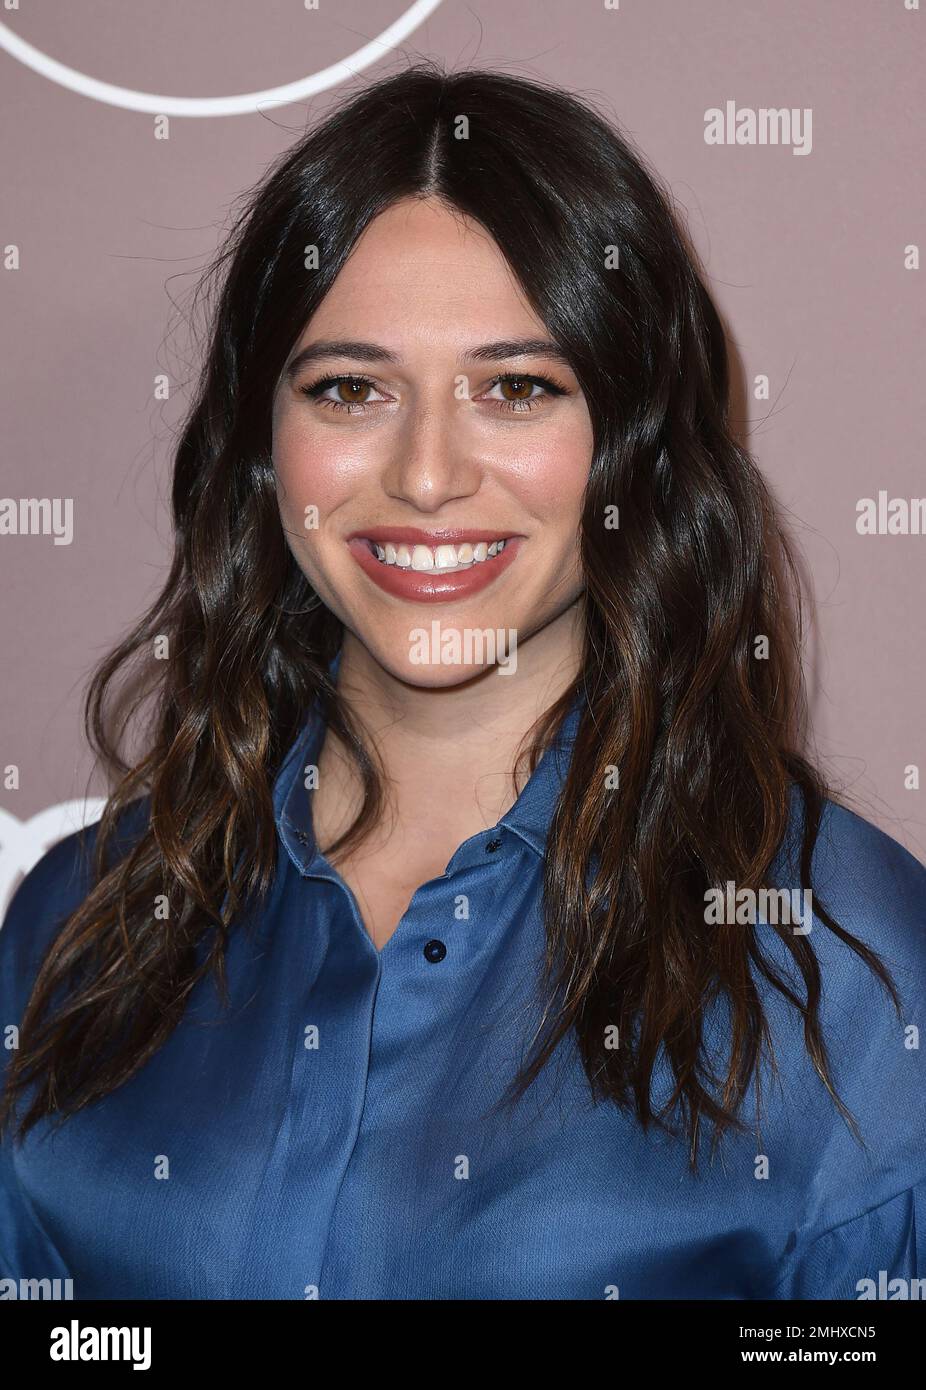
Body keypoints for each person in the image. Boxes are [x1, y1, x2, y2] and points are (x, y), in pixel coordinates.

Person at [1, 64, 924, 1302]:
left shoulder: (848, 968)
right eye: (349, 388)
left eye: (515, 388)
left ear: (632, 441)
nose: (426, 475)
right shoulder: (78, 926)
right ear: (262, 447)